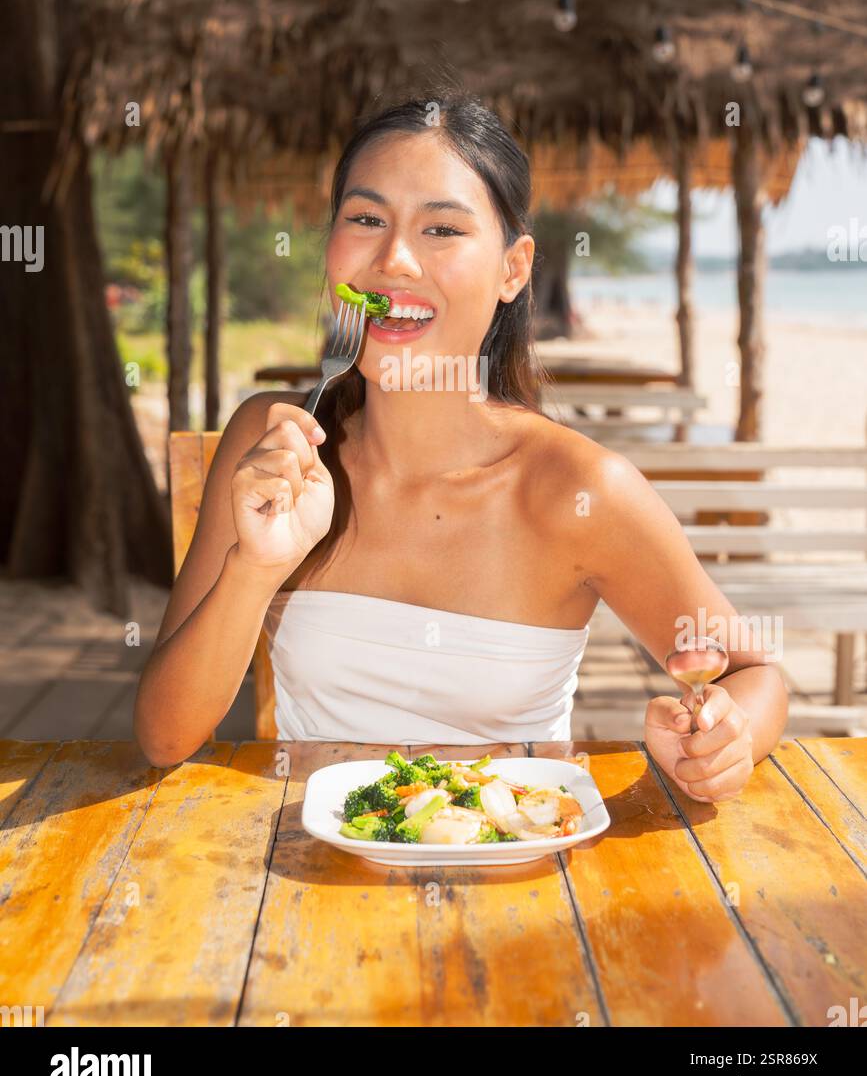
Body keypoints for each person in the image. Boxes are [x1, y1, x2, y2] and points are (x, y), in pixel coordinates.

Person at [134, 90, 787, 800]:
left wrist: (726, 738)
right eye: (364, 219)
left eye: (441, 229)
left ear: (512, 269)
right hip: (310, 878)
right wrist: (254, 567)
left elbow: (751, 673)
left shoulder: (580, 489)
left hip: (519, 878)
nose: (395, 260)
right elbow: (165, 737)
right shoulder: (272, 443)